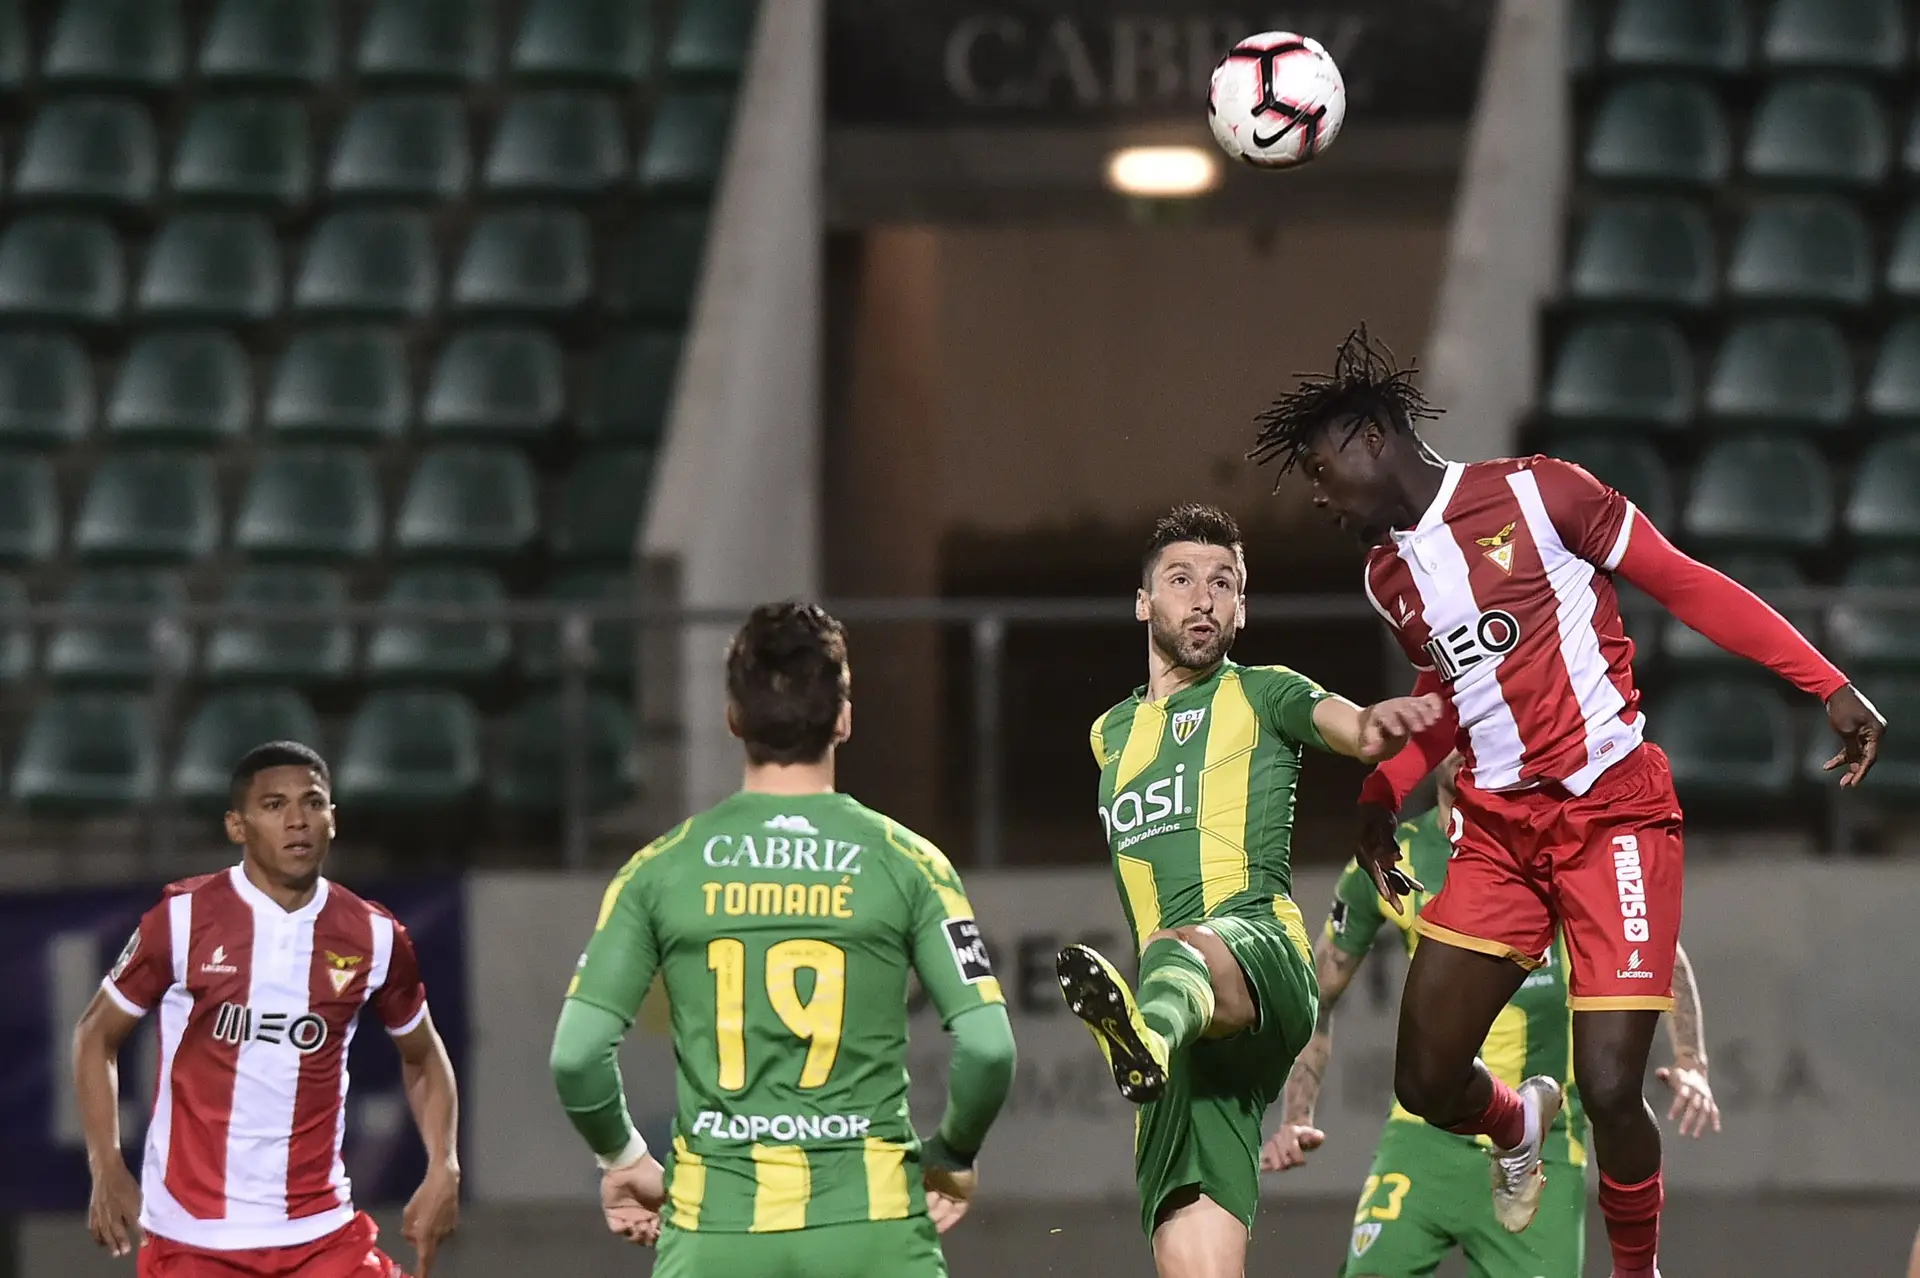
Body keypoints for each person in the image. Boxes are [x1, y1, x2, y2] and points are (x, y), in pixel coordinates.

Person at [1249, 327, 1886, 1278]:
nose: (1317, 493)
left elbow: (1682, 580)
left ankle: (1637, 1271)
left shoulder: (1541, 492)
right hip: (1499, 833)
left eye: (1320, 466)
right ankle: (1518, 1120)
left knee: (1611, 1083)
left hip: (1612, 813)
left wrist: (1825, 680)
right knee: (1424, 1078)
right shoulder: (1390, 580)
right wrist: (1381, 796)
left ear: (1372, 440)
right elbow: (1451, 703)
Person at [549, 601, 1017, 1277]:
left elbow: (576, 1057)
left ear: (733, 719)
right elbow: (989, 1048)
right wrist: (950, 1154)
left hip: (716, 1231)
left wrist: (623, 1160)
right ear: (844, 717)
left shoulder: (659, 869)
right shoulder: (910, 863)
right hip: (872, 1230)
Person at [1054, 503, 1442, 1278]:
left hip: (1259, 956)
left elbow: (1352, 728)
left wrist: (1381, 725)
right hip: (1189, 1040)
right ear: (1144, 602)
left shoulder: (1265, 692)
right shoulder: (1109, 735)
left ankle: (1143, 1037)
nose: (1203, 598)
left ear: (1242, 606)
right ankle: (1153, 1038)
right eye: (1181, 580)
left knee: (1178, 946)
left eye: (1222, 582)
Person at [1262, 751, 1721, 1278]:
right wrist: (1297, 1112)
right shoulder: (1397, 856)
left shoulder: (1554, 837)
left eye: (1478, 729)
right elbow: (1319, 991)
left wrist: (1691, 1057)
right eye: (1456, 729)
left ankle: (1526, 1131)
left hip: (1548, 1151)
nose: (1463, 746)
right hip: (1424, 1142)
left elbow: (1654, 942)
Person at [72, 741, 462, 1278]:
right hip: (194, 1239)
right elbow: (96, 1035)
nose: (298, 820)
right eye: (275, 806)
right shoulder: (182, 921)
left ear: (333, 820)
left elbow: (422, 1055)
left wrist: (443, 1164)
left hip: (322, 1234)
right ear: (238, 826)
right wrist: (106, 1164)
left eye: (313, 802)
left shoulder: (375, 935)